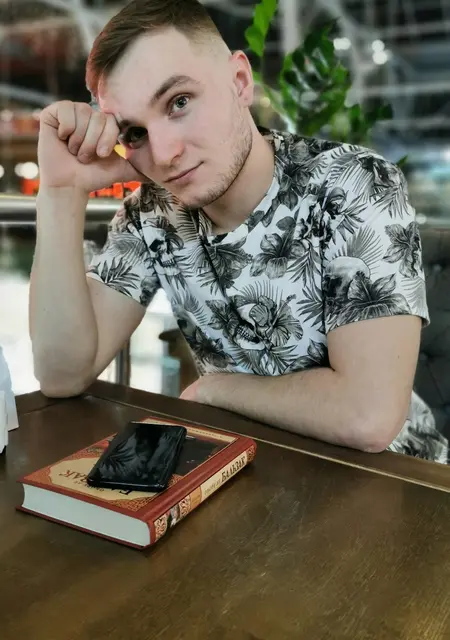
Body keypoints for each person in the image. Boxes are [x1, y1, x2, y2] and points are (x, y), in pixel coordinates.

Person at [29, 0, 448, 464]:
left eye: (179, 102)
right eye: (135, 134)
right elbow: (62, 375)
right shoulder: (151, 215)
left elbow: (368, 417)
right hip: (250, 474)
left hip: (400, 478)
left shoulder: (354, 183)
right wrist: (61, 191)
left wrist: (214, 390)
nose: (164, 154)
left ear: (240, 82)